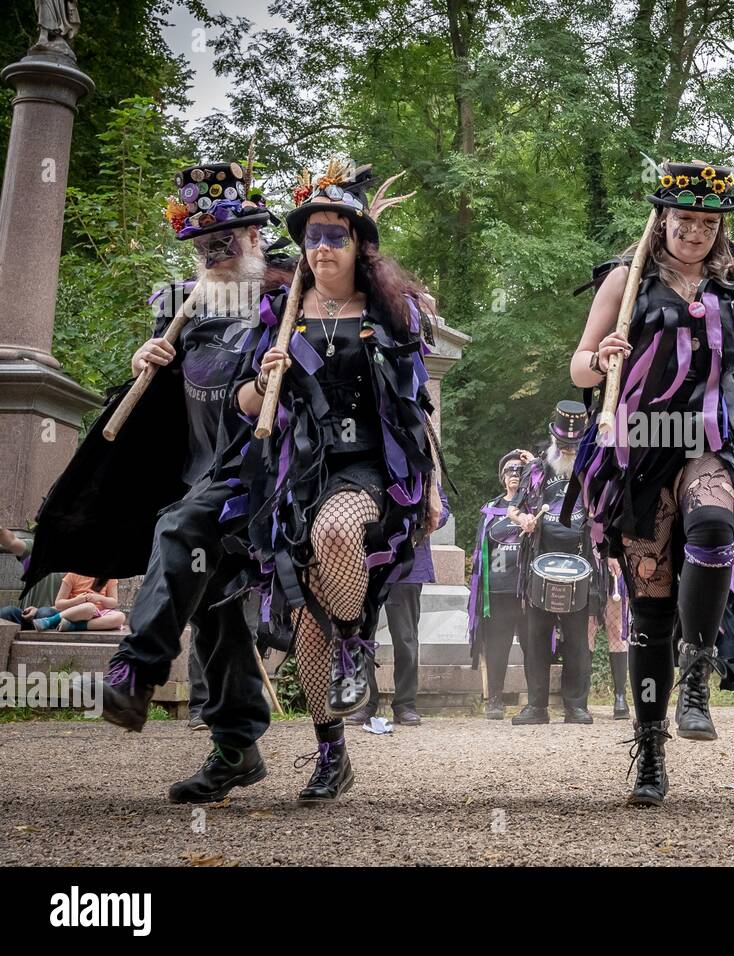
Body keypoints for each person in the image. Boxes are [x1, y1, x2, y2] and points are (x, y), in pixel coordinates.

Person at [24, 159, 285, 804]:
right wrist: (148, 359)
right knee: (218, 610)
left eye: (227, 242)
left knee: (180, 527)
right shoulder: (187, 309)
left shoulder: (285, 299)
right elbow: (168, 394)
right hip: (198, 473)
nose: (216, 256)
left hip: (261, 478)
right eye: (203, 246)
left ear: (254, 238)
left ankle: (136, 669)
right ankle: (236, 748)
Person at [231, 159, 441, 804]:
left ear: (359, 245)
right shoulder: (278, 313)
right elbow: (241, 403)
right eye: (312, 236)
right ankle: (331, 753)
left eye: (336, 236)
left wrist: (430, 489)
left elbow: (418, 406)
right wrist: (265, 381)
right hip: (299, 469)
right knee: (306, 618)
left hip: (370, 467)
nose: (322, 247)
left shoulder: (393, 313)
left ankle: (356, 648)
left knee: (341, 528)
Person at [566, 161, 734, 806]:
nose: (696, 233)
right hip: (640, 449)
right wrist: (600, 361)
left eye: (709, 224)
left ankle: (700, 667)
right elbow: (577, 368)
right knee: (650, 611)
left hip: (711, 438)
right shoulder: (627, 281)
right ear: (662, 221)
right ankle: (650, 754)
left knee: (714, 526)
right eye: (685, 221)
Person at [509, 402, 596, 726]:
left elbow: (605, 509)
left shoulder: (592, 469)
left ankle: (576, 706)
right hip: (540, 561)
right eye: (564, 445)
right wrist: (526, 519)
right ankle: (537, 706)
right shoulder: (536, 470)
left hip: (580, 561)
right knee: (536, 636)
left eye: (574, 445)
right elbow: (513, 509)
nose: (569, 450)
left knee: (577, 639)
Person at [347, 482, 450, 728]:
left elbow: (442, 508)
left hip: (407, 568)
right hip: (368, 566)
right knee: (362, 638)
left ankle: (405, 705)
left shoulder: (420, 473)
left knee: (405, 639)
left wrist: (425, 519)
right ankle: (365, 704)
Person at [468, 449, 531, 719]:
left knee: (533, 645)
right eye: (509, 471)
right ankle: (494, 699)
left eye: (519, 470)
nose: (514, 475)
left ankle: (536, 700)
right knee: (497, 647)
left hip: (527, 589)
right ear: (502, 477)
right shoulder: (491, 509)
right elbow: (479, 550)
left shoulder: (534, 506)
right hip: (497, 588)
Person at [589, 550, 631, 719]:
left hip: (615, 560)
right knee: (587, 629)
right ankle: (580, 696)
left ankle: (620, 696)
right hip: (587, 561)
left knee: (616, 629)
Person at [29, 574, 125, 632]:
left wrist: (100, 598)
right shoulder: (72, 575)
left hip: (99, 615)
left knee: (120, 617)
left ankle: (73, 627)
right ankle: (49, 621)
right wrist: (77, 600)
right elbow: (58, 604)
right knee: (89, 607)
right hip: (76, 613)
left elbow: (113, 603)